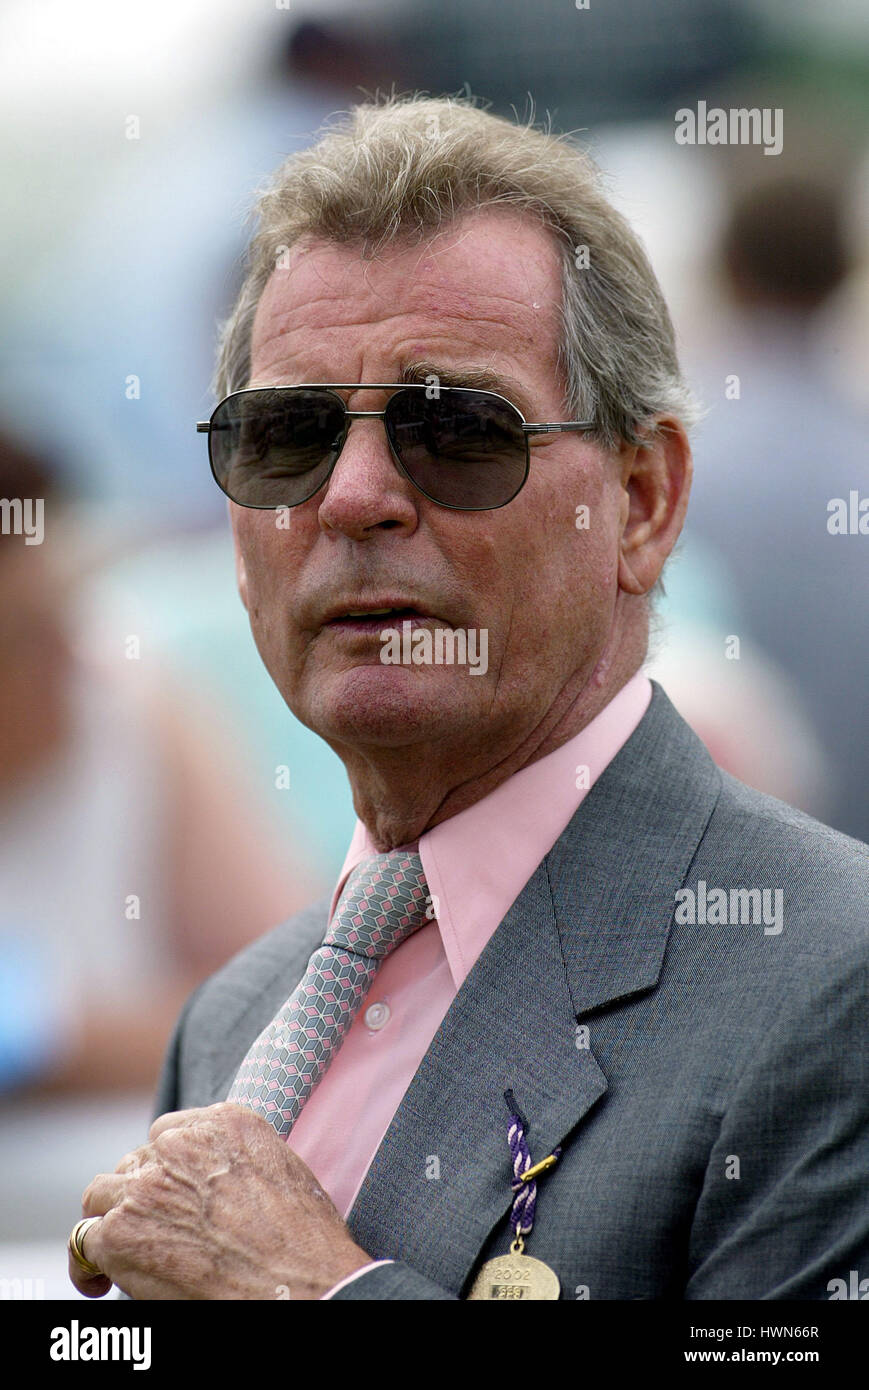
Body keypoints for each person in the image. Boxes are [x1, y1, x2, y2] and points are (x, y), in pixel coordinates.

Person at [69, 95, 868, 1302]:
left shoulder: (826, 984)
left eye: (454, 430)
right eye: (285, 433)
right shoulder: (235, 1020)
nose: (352, 499)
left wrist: (317, 1291)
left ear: (641, 501)